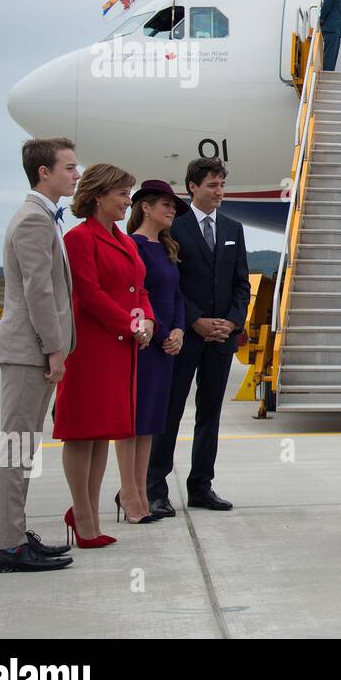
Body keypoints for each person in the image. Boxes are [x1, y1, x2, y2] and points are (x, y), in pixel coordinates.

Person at [0, 138, 80, 573]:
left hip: (31, 350)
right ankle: (7, 547)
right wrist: (55, 349)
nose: (76, 175)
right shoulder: (33, 220)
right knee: (16, 448)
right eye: (69, 167)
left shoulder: (41, 215)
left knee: (22, 448)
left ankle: (14, 534)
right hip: (29, 351)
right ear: (44, 172)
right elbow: (38, 291)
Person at [54, 163, 155, 548]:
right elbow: (89, 293)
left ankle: (89, 513)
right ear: (98, 196)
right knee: (82, 432)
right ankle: (82, 515)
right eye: (123, 194)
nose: (128, 200)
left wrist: (147, 321)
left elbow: (139, 288)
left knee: (101, 433)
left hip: (120, 347)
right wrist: (129, 325)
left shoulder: (126, 240)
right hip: (91, 348)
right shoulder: (79, 239)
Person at [147, 157, 250, 515]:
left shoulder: (234, 229)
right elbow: (169, 284)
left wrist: (231, 323)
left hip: (221, 339)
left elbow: (241, 284)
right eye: (212, 185)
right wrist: (196, 321)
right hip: (185, 335)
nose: (219, 192)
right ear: (192, 187)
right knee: (170, 411)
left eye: (222, 185)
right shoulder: (174, 227)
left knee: (210, 413)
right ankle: (155, 486)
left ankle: (201, 486)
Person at [123, 180, 189, 524]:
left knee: (150, 422)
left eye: (174, 207)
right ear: (145, 207)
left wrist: (178, 329)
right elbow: (137, 295)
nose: (172, 211)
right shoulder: (131, 246)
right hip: (146, 343)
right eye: (166, 204)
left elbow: (176, 295)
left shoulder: (167, 248)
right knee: (135, 421)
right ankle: (130, 493)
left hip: (165, 345)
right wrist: (164, 332)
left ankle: (139, 492)